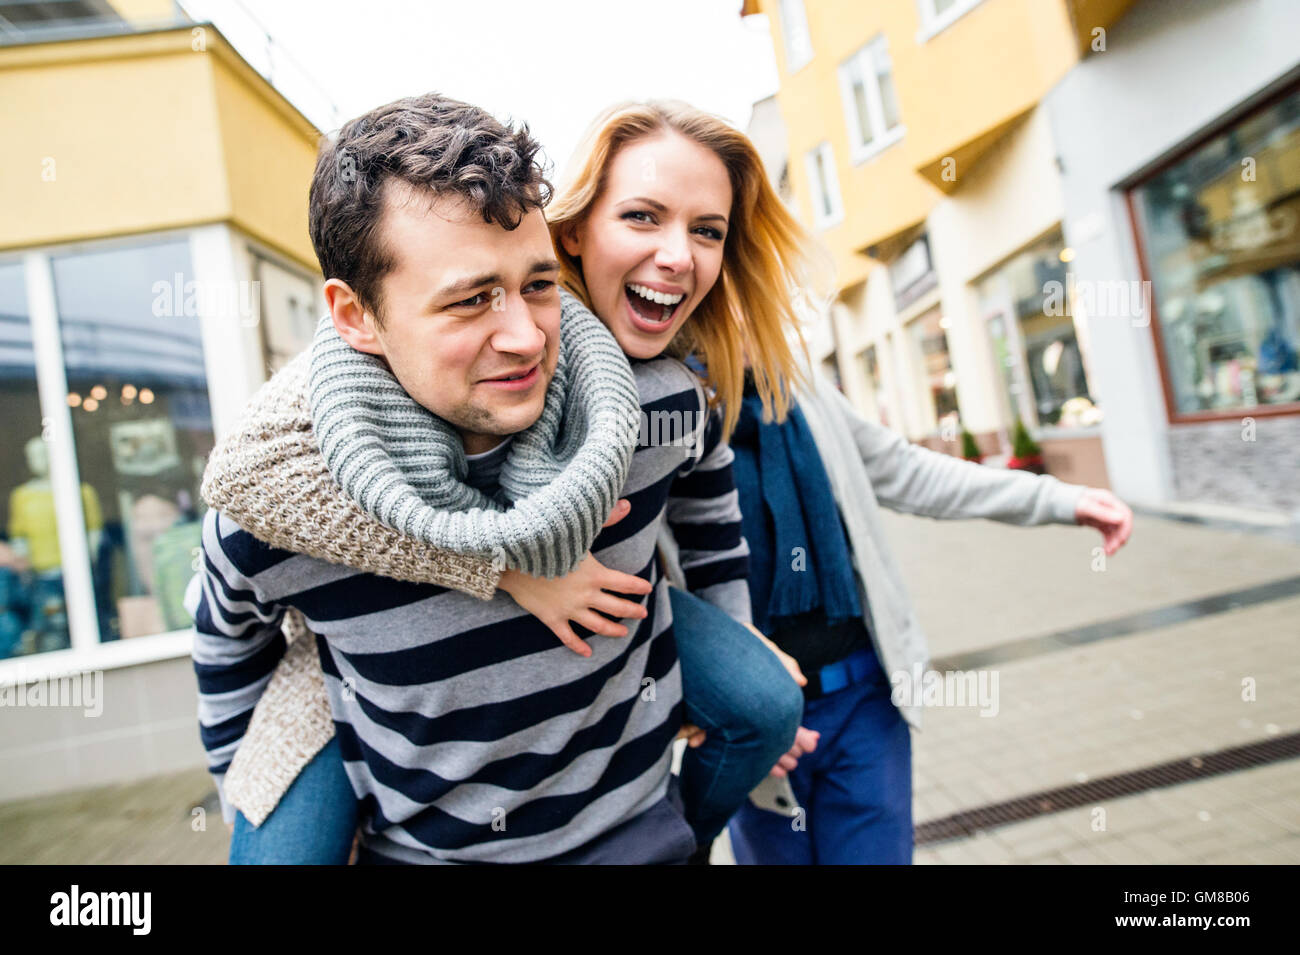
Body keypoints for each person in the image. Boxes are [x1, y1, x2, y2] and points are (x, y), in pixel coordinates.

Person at [190, 94, 815, 864]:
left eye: (538, 285)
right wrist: (241, 785)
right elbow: (226, 643)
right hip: (417, 839)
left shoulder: (654, 402)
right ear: (355, 318)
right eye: (471, 299)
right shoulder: (278, 502)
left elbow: (706, 486)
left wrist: (681, 818)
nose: (524, 337)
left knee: (765, 700)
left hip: (634, 827)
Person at [715, 366, 1134, 865]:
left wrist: (1059, 499)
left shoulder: (798, 384)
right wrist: (734, 710)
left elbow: (909, 471)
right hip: (756, 727)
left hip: (863, 703)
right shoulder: (668, 410)